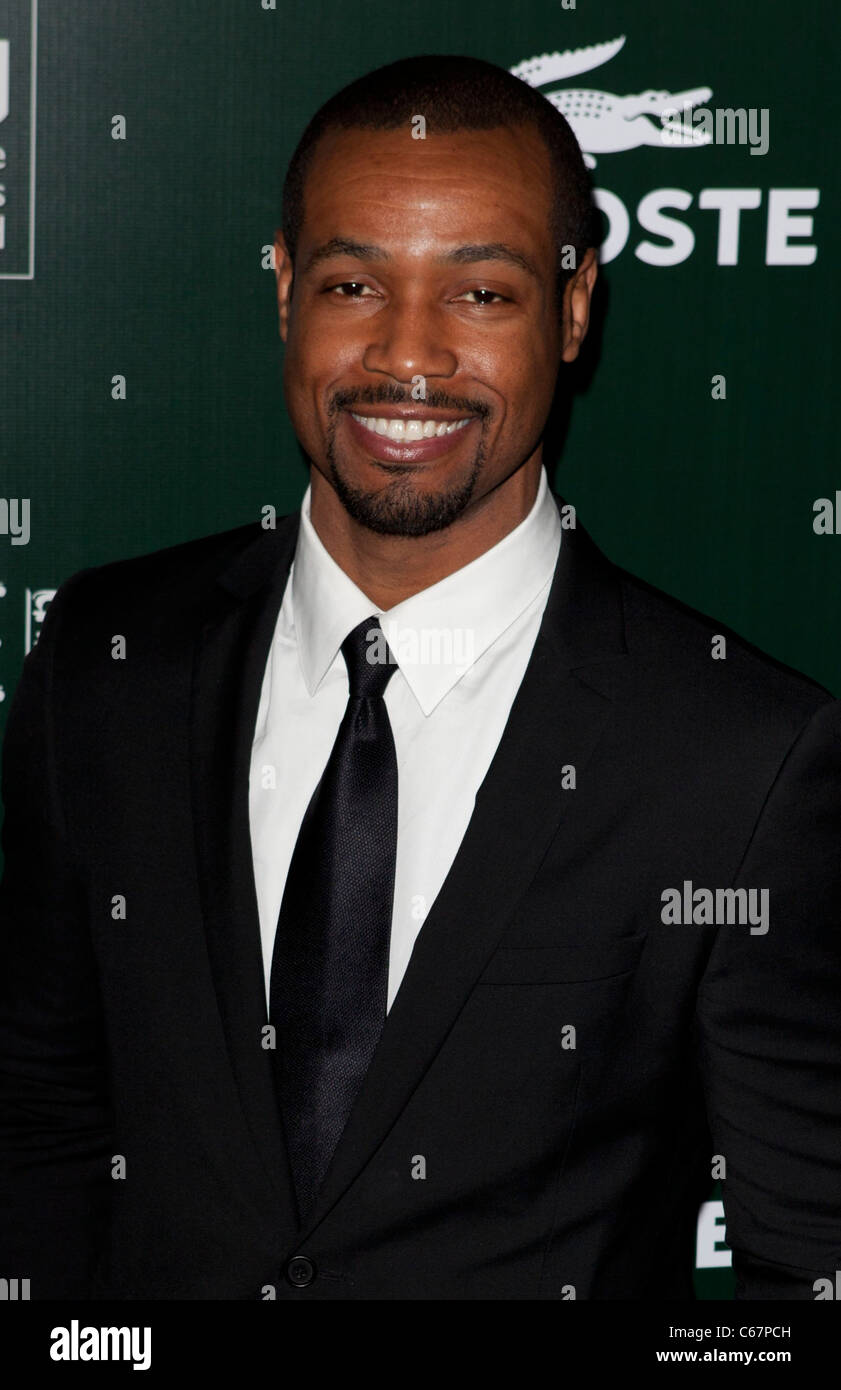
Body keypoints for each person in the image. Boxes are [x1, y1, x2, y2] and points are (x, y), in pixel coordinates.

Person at [0, 54, 839, 1302]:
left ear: (572, 307)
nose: (408, 356)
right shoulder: (108, 659)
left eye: (482, 292)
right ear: (284, 289)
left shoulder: (739, 757)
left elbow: (807, 1262)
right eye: (353, 282)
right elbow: (38, 1122)